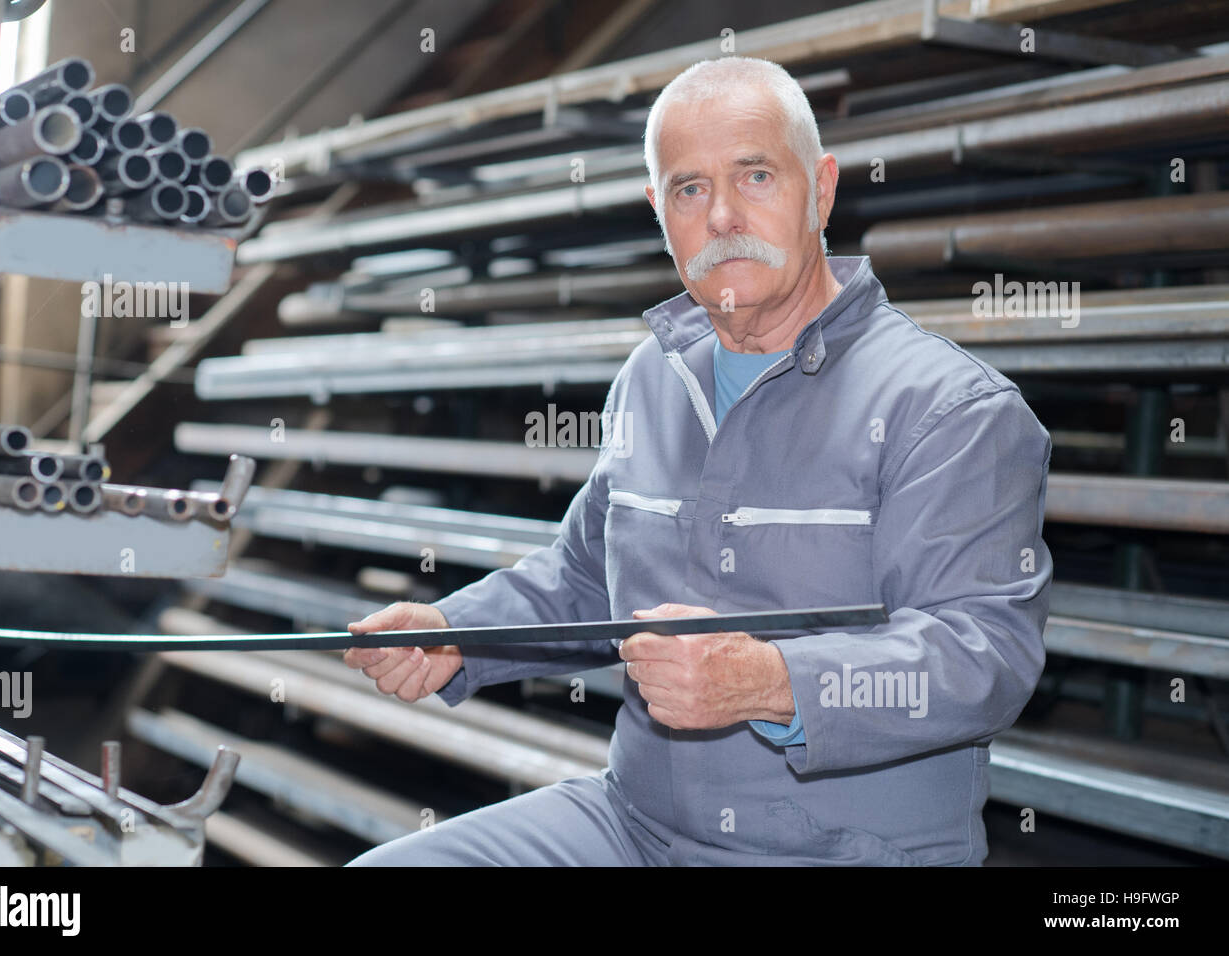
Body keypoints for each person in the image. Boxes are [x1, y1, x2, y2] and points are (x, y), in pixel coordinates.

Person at [343, 55, 1052, 866]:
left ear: (821, 188)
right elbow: (584, 580)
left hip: (844, 849)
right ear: (659, 210)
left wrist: (769, 681)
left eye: (755, 175)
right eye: (688, 189)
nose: (720, 216)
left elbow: (983, 653)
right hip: (637, 825)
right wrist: (453, 632)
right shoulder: (653, 377)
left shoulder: (950, 410)